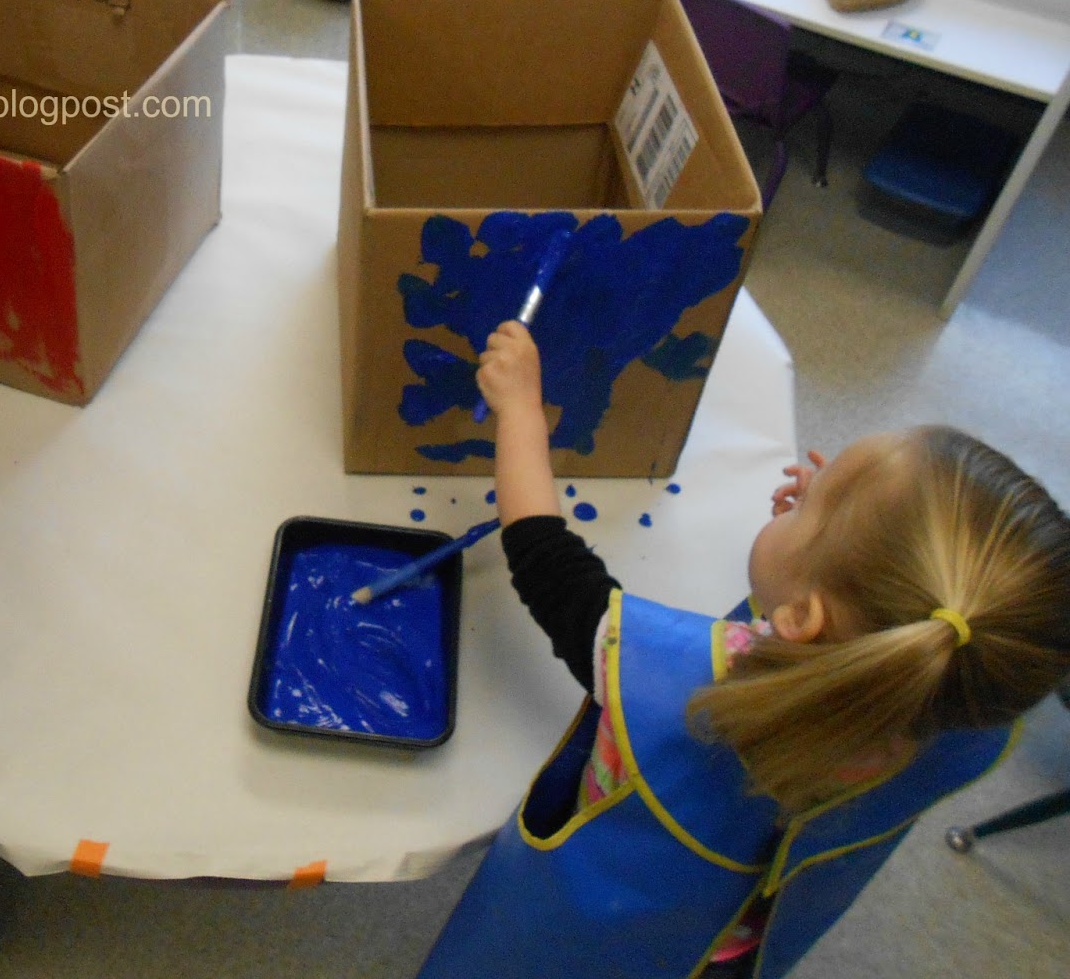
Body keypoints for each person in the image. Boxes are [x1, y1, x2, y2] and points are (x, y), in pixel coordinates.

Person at [417, 319, 1070, 979]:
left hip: (593, 936)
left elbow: (546, 563)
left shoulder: (686, 694)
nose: (798, 496)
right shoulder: (968, 690)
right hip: (724, 943)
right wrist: (823, 551)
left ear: (800, 620)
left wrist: (522, 410)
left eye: (807, 514)